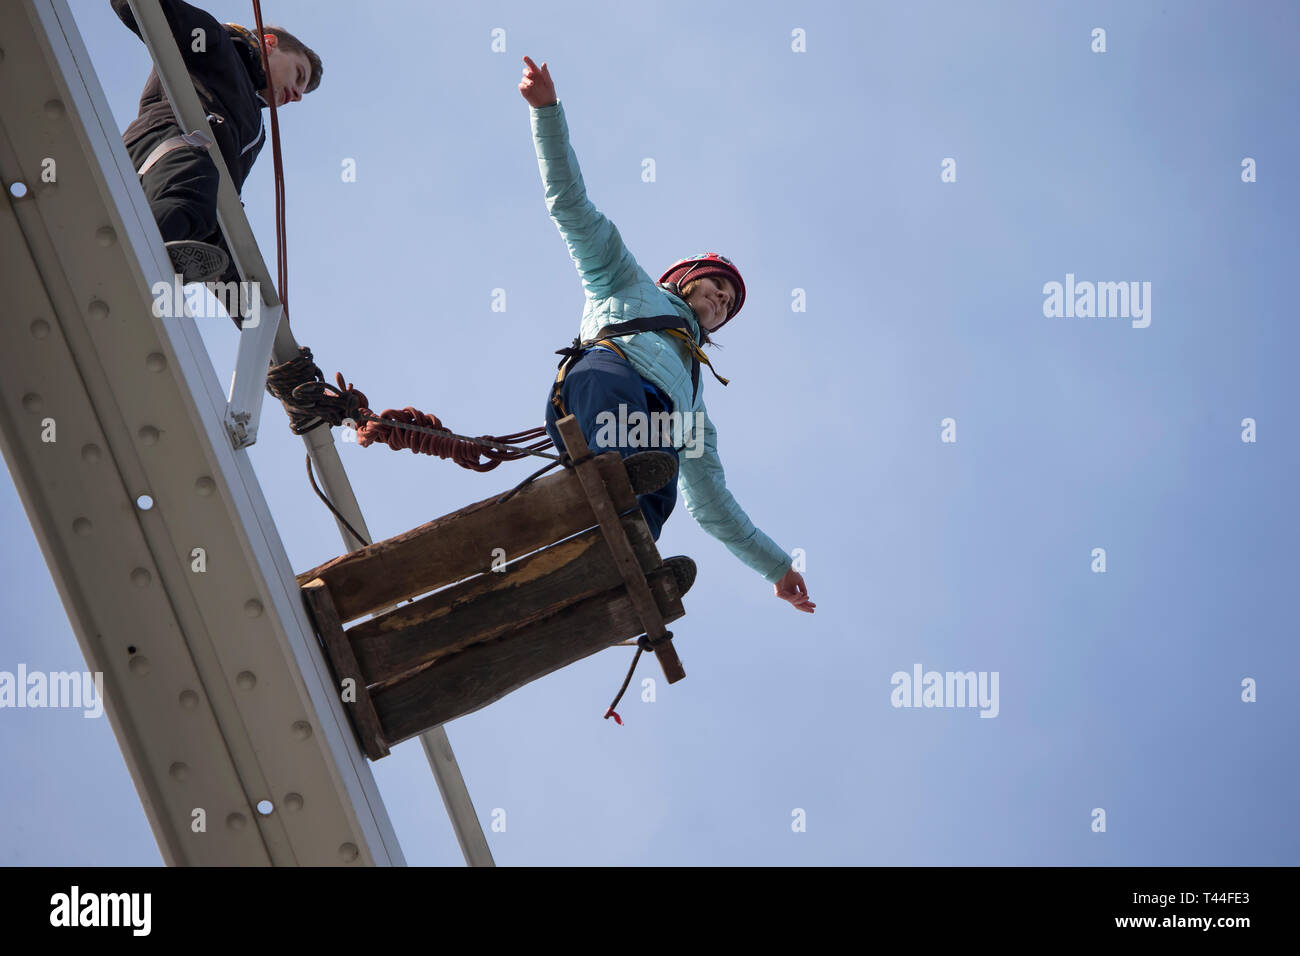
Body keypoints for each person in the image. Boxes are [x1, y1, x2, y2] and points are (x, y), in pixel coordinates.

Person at [521, 56, 815, 614]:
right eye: (716, 287)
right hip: (600, 381)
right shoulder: (622, 280)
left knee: (667, 474)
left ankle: (620, 564)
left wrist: (776, 567)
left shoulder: (695, 403)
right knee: (636, 421)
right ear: (681, 280)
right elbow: (572, 208)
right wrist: (546, 113)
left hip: (648, 427)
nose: (723, 300)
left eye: (729, 304)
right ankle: (623, 487)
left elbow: (713, 505)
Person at [111, 0, 321, 320]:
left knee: (225, 245)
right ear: (269, 43)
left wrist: (263, 333)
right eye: (299, 75)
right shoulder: (218, 43)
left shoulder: (253, 129)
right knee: (194, 195)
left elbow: (224, 212)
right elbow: (148, 10)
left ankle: (268, 351)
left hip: (199, 183)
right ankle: (135, 264)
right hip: (168, 148)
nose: (296, 95)